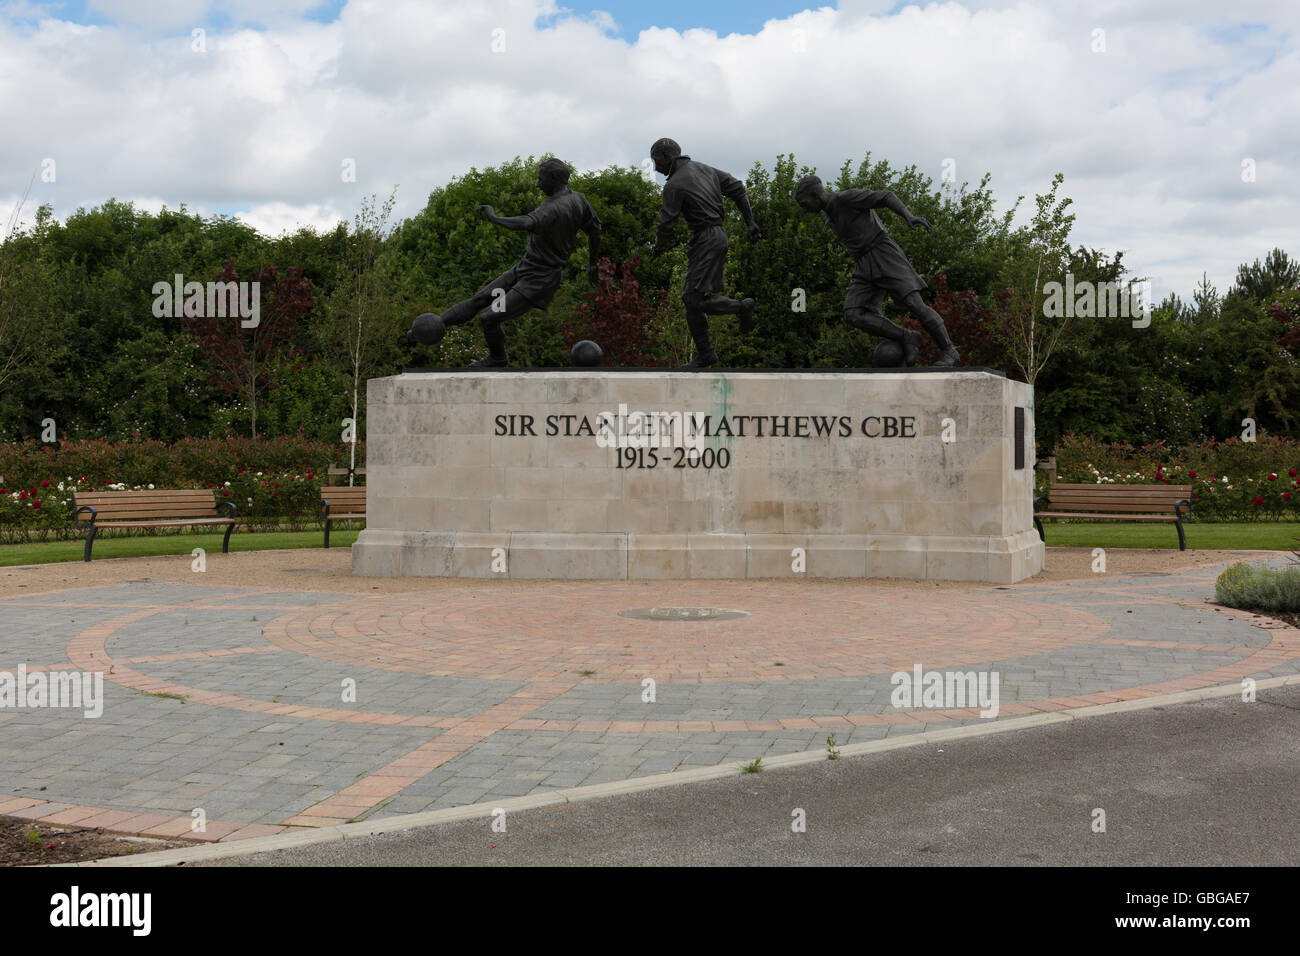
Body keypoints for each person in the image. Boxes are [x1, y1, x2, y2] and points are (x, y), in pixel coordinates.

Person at [414, 157, 602, 367]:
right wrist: (592, 263)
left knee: (490, 317)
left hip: (537, 281)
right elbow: (595, 230)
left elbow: (525, 222)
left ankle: (497, 358)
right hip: (523, 270)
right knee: (481, 298)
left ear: (553, 179)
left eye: (541, 180)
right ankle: (438, 323)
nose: (538, 185)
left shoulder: (552, 208)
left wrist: (494, 217)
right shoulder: (579, 199)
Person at [794, 174, 959, 367]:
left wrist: (908, 215)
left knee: (915, 304)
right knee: (853, 312)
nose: (805, 210)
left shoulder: (845, 198)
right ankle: (906, 337)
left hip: (883, 252)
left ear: (815, 195)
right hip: (864, 264)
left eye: (805, 204)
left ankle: (949, 350)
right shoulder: (830, 218)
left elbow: (885, 196)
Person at [648, 138, 760, 370]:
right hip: (714, 237)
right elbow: (738, 188)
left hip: (706, 238)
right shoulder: (705, 169)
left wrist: (656, 248)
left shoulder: (674, 185)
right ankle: (706, 354)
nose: (655, 167)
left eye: (656, 161)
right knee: (692, 300)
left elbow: (666, 225)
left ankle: (741, 307)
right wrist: (749, 222)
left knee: (693, 298)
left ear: (667, 157)